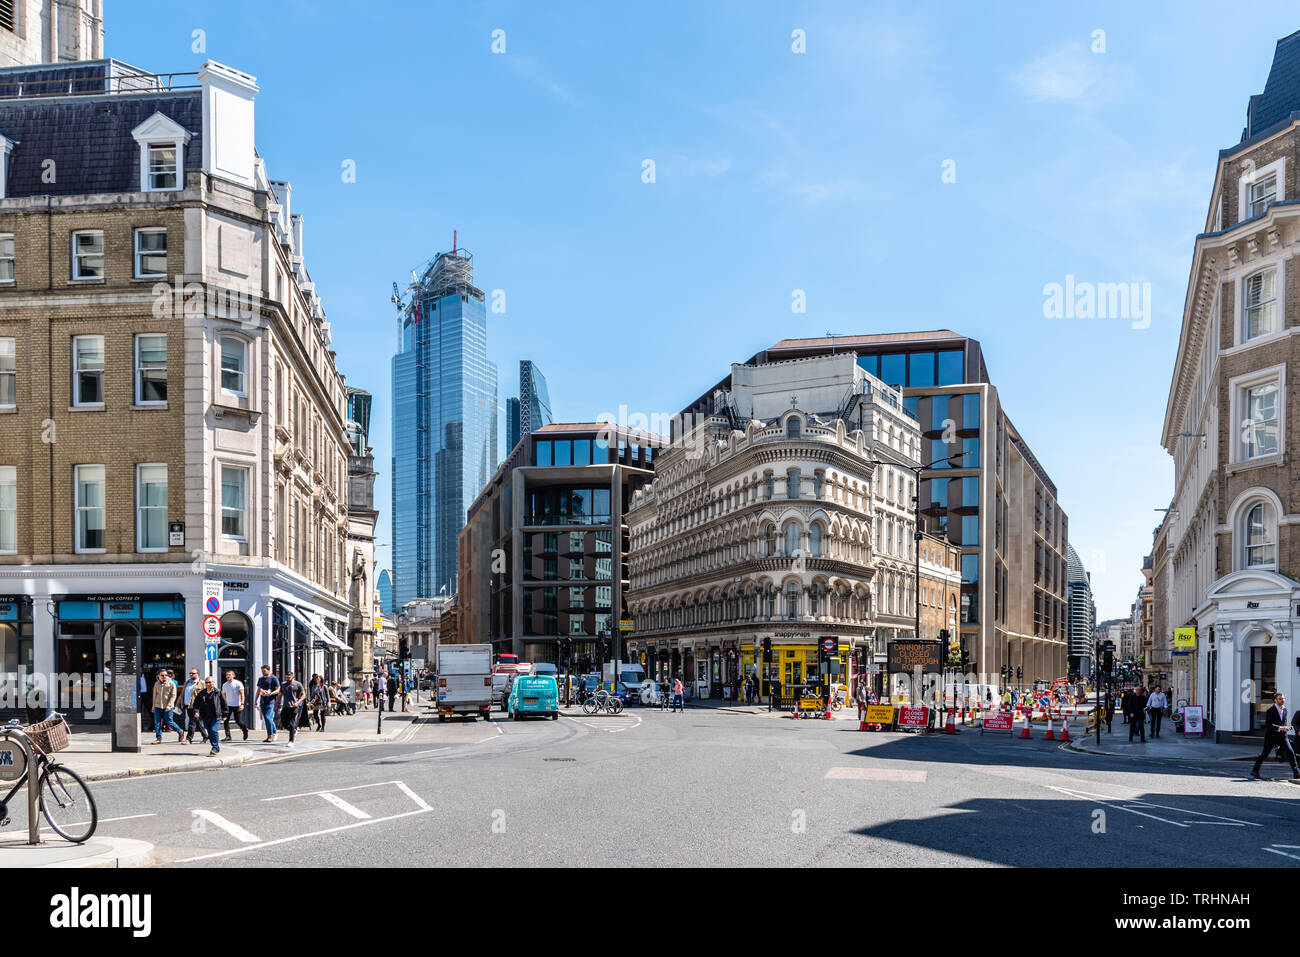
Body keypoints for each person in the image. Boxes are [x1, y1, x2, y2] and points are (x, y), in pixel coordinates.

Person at [1252, 693, 1300, 780]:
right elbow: (1269, 725)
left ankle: (1296, 772)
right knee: (1264, 754)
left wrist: (1287, 728)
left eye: (1283, 698)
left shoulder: (1285, 710)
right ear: (1275, 700)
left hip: (1283, 736)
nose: (1282, 700)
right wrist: (1281, 728)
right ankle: (1255, 771)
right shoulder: (1270, 710)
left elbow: (1283, 723)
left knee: (1291, 753)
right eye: (1280, 699)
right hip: (1271, 737)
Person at [193, 676, 224, 756]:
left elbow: (224, 703)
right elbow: (196, 704)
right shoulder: (202, 693)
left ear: (213, 683)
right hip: (205, 716)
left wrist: (225, 714)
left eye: (210, 682)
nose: (208, 684)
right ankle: (214, 746)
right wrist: (196, 711)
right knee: (210, 733)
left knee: (213, 730)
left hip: (216, 716)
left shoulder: (218, 692)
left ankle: (215, 748)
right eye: (206, 682)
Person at [151, 669, 184, 744]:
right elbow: (154, 696)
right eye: (162, 675)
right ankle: (158, 739)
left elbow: (173, 696)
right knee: (157, 723)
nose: (164, 677)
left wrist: (169, 705)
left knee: (169, 722)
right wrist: (153, 706)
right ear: (158, 676)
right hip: (157, 706)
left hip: (168, 706)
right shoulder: (156, 684)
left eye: (166, 675)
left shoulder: (171, 683)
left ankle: (180, 731)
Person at [255, 665, 281, 742]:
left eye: (265, 671)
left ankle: (271, 735)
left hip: (271, 701)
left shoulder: (274, 678)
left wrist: (270, 693)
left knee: (267, 717)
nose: (263, 672)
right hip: (263, 701)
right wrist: (255, 700)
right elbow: (258, 690)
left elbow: (278, 690)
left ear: (268, 670)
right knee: (267, 719)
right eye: (262, 671)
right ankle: (273, 733)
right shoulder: (260, 679)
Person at [221, 670, 248, 742]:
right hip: (228, 705)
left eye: (229, 674)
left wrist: (242, 704)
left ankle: (245, 730)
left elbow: (242, 694)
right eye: (227, 675)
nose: (228, 676)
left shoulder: (238, 683)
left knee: (238, 721)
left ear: (233, 676)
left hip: (237, 705)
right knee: (226, 721)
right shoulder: (224, 685)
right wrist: (223, 704)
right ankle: (228, 736)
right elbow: (224, 695)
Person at [278, 672, 304, 746]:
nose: (287, 679)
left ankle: (291, 741)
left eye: (289, 677)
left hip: (294, 706)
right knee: (284, 723)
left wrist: (298, 702)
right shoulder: (283, 684)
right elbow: (280, 695)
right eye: (286, 677)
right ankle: (294, 731)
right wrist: (276, 705)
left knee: (291, 723)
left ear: (293, 677)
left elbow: (303, 695)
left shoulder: (298, 684)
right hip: (285, 706)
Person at [181, 668, 203, 744]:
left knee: (192, 722)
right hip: (188, 706)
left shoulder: (202, 683)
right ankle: (205, 735)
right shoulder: (187, 683)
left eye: (193, 673)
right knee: (197, 722)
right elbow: (182, 694)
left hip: (197, 706)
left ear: (198, 674)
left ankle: (188, 739)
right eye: (190, 673)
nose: (191, 675)